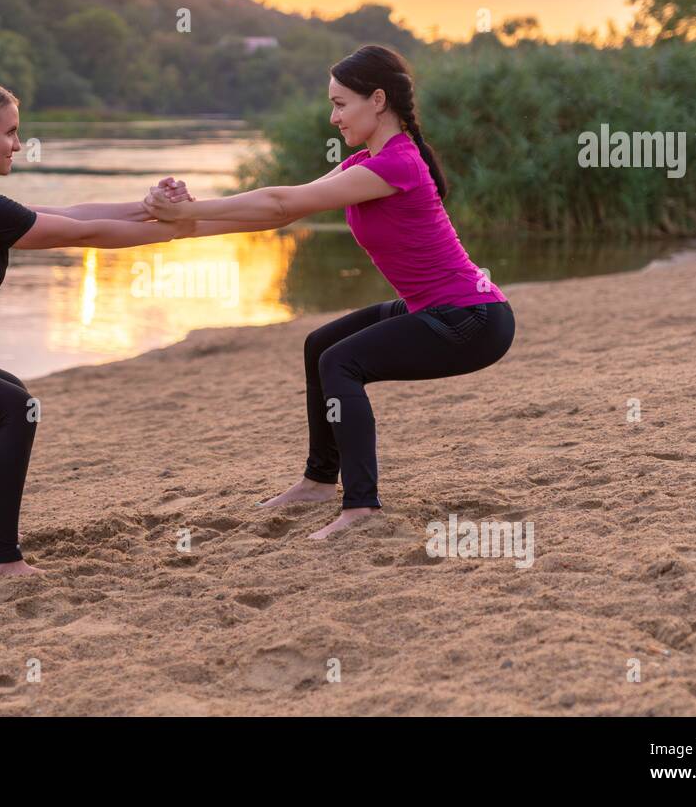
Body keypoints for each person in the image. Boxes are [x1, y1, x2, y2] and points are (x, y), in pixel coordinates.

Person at [0, 78, 262, 575]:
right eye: (10, 132)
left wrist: (150, 207)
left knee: (9, 395)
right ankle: (4, 560)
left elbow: (70, 213)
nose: (19, 144)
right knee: (14, 409)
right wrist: (176, 227)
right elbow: (84, 232)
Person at [144, 44, 515, 540]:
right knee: (320, 345)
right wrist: (186, 224)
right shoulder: (368, 161)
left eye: (341, 103)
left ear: (377, 100)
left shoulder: (396, 165)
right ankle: (320, 481)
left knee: (342, 363)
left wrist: (190, 213)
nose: (333, 116)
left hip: (473, 320)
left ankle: (361, 507)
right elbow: (285, 211)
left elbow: (279, 203)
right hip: (445, 308)